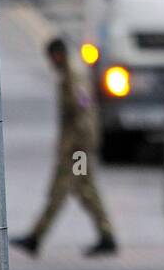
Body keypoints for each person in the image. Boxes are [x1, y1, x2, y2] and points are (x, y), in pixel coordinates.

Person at [11, 38, 118, 257]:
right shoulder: (69, 74)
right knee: (83, 189)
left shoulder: (74, 76)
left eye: (51, 57)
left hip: (77, 149)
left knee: (64, 190)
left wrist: (78, 146)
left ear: (57, 54)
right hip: (75, 146)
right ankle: (105, 235)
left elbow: (84, 110)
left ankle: (36, 237)